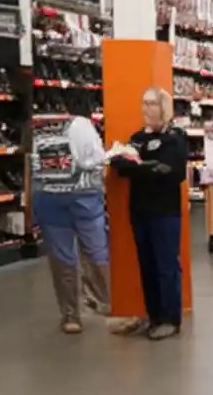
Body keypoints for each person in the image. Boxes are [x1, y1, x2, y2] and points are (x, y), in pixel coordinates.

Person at [109, 88, 189, 340]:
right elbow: (120, 165)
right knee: (147, 266)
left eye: (152, 104)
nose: (146, 109)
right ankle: (154, 315)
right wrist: (146, 167)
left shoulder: (175, 138)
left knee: (166, 266)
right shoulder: (137, 138)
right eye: (143, 104)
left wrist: (140, 166)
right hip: (140, 211)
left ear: (163, 107)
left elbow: (173, 172)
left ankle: (170, 318)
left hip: (165, 213)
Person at [30, 96, 111, 333]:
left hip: (48, 198)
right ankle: (103, 303)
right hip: (84, 196)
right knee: (95, 249)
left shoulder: (37, 127)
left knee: (62, 255)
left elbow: (30, 164)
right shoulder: (84, 126)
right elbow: (94, 159)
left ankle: (70, 316)